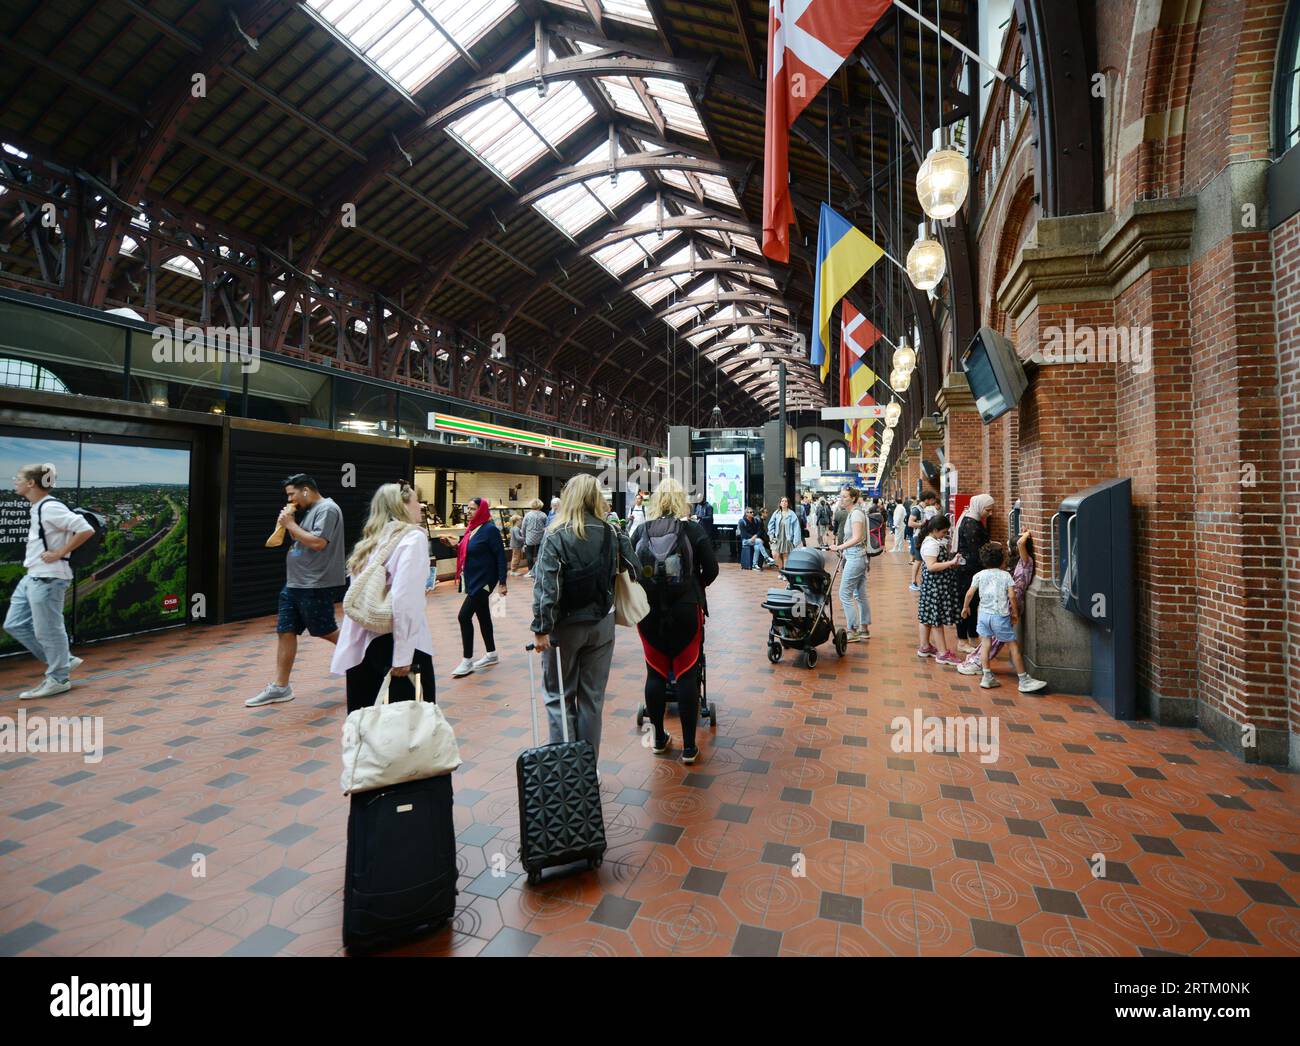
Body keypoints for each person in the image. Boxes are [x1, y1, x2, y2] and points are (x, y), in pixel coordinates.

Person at [531, 474, 637, 762]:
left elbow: (547, 586)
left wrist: (541, 627)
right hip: (602, 624)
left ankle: (567, 771)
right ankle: (588, 770)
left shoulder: (556, 534)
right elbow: (636, 569)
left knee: (558, 696)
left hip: (564, 627)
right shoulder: (611, 532)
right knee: (592, 699)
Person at [331, 482, 435, 713]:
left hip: (361, 645)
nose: (420, 506)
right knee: (414, 726)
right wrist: (403, 655)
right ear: (403, 506)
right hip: (398, 641)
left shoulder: (368, 543)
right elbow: (405, 600)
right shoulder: (413, 539)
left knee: (365, 722)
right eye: (416, 501)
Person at [635, 478, 718, 763]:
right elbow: (713, 569)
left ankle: (658, 738)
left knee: (655, 673)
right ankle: (689, 747)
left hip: (648, 611)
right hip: (686, 608)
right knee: (687, 673)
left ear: (655, 501)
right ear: (681, 500)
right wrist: (695, 587)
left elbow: (632, 571)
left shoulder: (640, 530)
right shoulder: (692, 529)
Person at [247, 474, 345, 707]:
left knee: (325, 630)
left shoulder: (328, 509)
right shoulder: (308, 510)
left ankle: (371, 659)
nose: (290, 499)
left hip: (314, 583)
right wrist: (289, 524)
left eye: (292, 494)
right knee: (286, 630)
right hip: (295, 582)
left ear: (306, 490)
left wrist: (290, 524)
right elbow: (300, 539)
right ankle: (280, 687)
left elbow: (319, 543)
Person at [5, 463, 94, 699]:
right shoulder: (38, 507)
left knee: (49, 630)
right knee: (14, 624)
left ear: (31, 483)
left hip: (49, 578)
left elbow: (85, 529)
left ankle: (58, 678)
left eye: (19, 477)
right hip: (32, 575)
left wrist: (58, 553)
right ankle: (63, 660)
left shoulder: (50, 507)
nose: (15, 481)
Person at [960, 541, 1048, 693]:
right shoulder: (1006, 575)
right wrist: (1014, 612)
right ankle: (1023, 680)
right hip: (999, 617)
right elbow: (1012, 596)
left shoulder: (979, 575)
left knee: (986, 645)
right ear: (1002, 560)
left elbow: (969, 593)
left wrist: (965, 607)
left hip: (983, 616)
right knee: (1013, 646)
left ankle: (987, 677)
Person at [451, 497, 506, 678]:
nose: (469, 512)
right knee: (483, 616)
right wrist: (455, 546)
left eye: (473, 509)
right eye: (468, 509)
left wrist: (503, 582)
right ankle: (492, 654)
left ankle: (467, 660)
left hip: (484, 582)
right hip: (473, 580)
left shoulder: (490, 530)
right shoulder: (472, 529)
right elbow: (468, 551)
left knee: (463, 616)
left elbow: (500, 557)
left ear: (481, 510)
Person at [916, 514, 963, 665]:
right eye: (943, 532)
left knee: (927, 616)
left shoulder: (931, 541)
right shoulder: (932, 544)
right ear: (935, 530)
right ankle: (942, 653)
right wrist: (950, 562)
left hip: (931, 585)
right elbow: (932, 566)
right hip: (936, 586)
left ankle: (925, 646)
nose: (945, 535)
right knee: (936, 619)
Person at [826, 486, 871, 642]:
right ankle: (864, 628)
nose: (841, 499)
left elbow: (857, 537)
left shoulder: (856, 514)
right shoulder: (853, 513)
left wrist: (839, 547)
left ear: (852, 498)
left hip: (855, 557)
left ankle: (853, 630)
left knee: (844, 594)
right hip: (856, 557)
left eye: (844, 497)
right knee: (860, 594)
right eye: (841, 496)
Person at [953, 494, 995, 654]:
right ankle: (962, 640)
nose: (990, 514)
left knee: (972, 604)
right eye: (988, 510)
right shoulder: (971, 524)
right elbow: (976, 551)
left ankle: (972, 636)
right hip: (967, 572)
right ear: (979, 507)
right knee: (966, 605)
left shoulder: (972, 519)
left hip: (972, 571)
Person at [908, 492, 937, 591]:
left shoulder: (925, 509)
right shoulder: (917, 509)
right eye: (933, 499)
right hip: (918, 537)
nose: (934, 502)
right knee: (918, 560)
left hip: (924, 536)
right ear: (927, 499)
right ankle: (913, 582)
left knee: (923, 560)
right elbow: (910, 523)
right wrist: (923, 525)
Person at [767, 496, 802, 571]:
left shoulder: (792, 514)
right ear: (780, 503)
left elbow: (796, 528)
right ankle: (781, 570)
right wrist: (771, 535)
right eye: (782, 501)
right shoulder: (776, 513)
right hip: (776, 538)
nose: (784, 503)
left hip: (787, 538)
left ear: (788, 503)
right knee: (775, 555)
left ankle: (784, 573)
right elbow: (770, 524)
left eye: (786, 501)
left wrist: (795, 541)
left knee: (786, 556)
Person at [736, 506, 772, 570]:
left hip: (754, 540)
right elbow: (744, 535)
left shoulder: (755, 521)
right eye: (750, 512)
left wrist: (755, 537)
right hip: (745, 541)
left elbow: (759, 531)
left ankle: (754, 565)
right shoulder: (741, 522)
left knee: (757, 547)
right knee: (759, 541)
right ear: (746, 513)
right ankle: (766, 557)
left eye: (752, 512)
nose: (752, 513)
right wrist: (753, 538)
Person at [522, 498, 547, 578]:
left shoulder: (528, 515)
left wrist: (524, 538)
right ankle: (539, 570)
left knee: (529, 554)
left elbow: (523, 527)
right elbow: (547, 526)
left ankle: (530, 571)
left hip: (530, 537)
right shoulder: (543, 515)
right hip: (540, 537)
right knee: (539, 554)